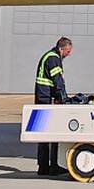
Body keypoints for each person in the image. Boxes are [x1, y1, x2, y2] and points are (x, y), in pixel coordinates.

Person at [34, 37, 73, 176]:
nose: (69, 54)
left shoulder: (51, 57)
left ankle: (45, 166)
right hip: (45, 99)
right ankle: (50, 166)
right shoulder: (53, 58)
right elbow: (58, 81)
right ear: (61, 48)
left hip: (44, 97)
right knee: (49, 133)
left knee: (45, 134)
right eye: (68, 51)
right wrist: (63, 97)